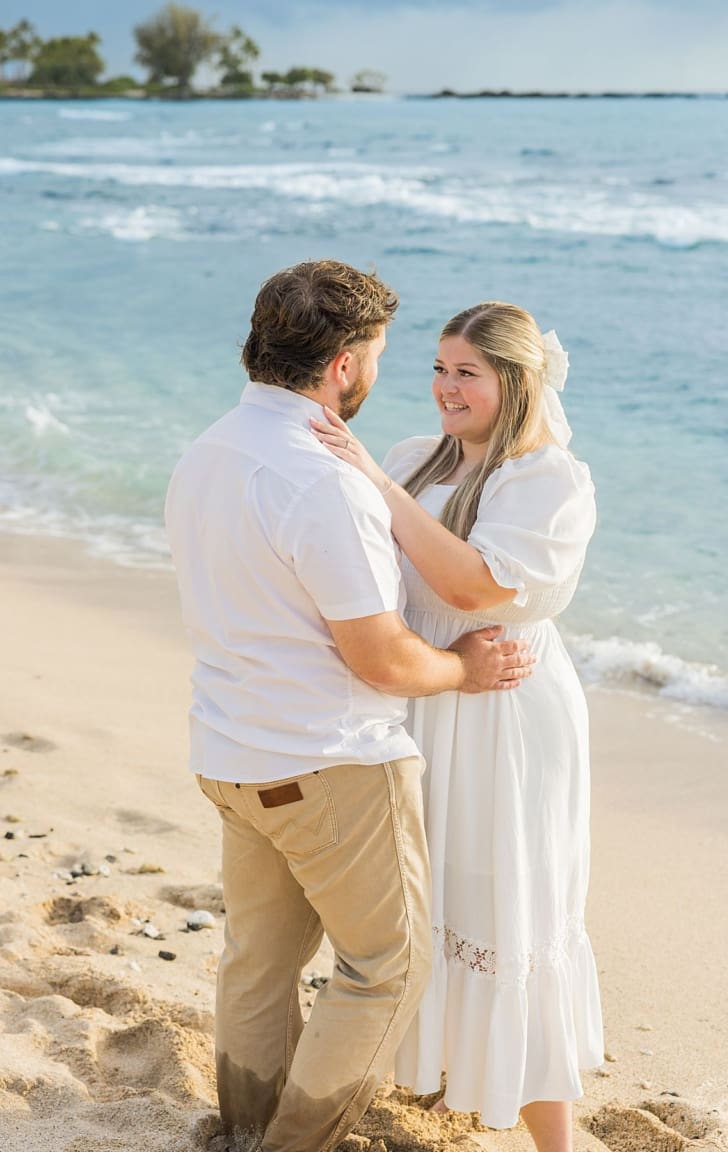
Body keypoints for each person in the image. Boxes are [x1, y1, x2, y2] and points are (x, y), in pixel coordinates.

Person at [164, 262, 535, 1152]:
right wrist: (462, 669)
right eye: (376, 355)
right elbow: (377, 656)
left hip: (229, 753)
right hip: (328, 763)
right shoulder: (321, 479)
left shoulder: (208, 449)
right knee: (387, 969)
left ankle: (245, 1131)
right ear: (342, 365)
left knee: (259, 964)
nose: (379, 373)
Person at [310, 301, 604, 1152]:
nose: (445, 388)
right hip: (424, 696)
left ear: (515, 381)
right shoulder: (413, 458)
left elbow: (476, 588)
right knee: (425, 896)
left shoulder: (548, 481)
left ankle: (554, 1136)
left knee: (508, 900)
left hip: (506, 715)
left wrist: (373, 482)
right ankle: (437, 1082)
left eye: (466, 372)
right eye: (439, 368)